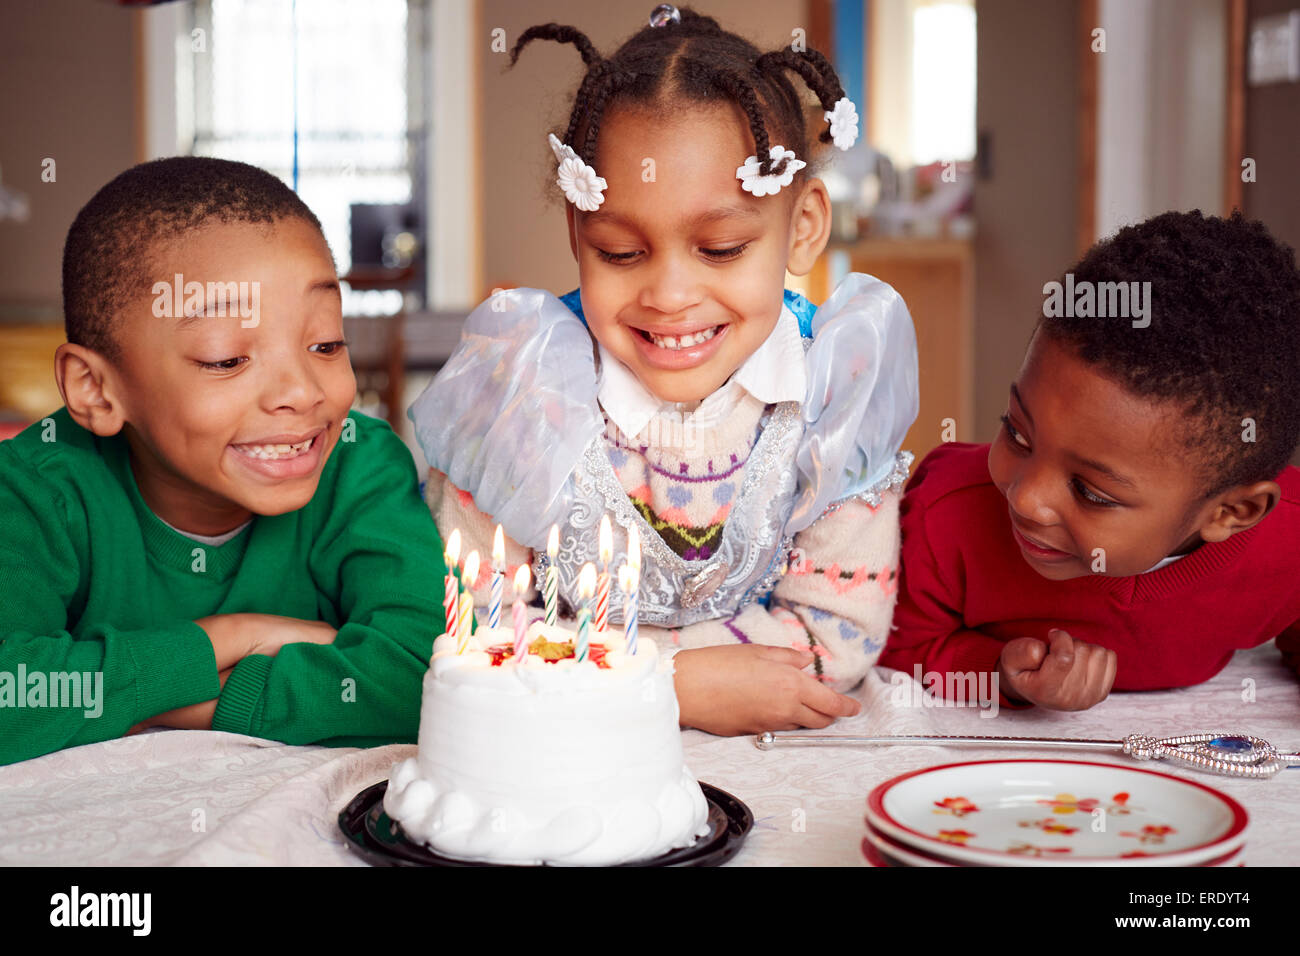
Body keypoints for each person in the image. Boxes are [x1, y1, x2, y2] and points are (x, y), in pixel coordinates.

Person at [410, 7, 919, 736]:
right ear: (579, 233)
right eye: (620, 252)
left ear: (803, 227)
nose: (670, 296)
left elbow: (835, 639)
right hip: (562, 766)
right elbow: (467, 632)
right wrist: (671, 684)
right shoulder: (520, 394)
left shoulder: (836, 390)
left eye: (720, 249)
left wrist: (590, 669)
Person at [0, 157, 445, 764]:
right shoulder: (34, 489)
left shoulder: (359, 467)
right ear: (96, 390)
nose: (301, 391)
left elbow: (428, 685)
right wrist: (229, 639)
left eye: (325, 343)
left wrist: (163, 702)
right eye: (226, 359)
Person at [881, 210, 1300, 710]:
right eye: (1018, 432)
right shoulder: (945, 515)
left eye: (1091, 492)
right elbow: (891, 649)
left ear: (1231, 513)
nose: (1027, 498)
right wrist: (998, 673)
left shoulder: (1288, 543)